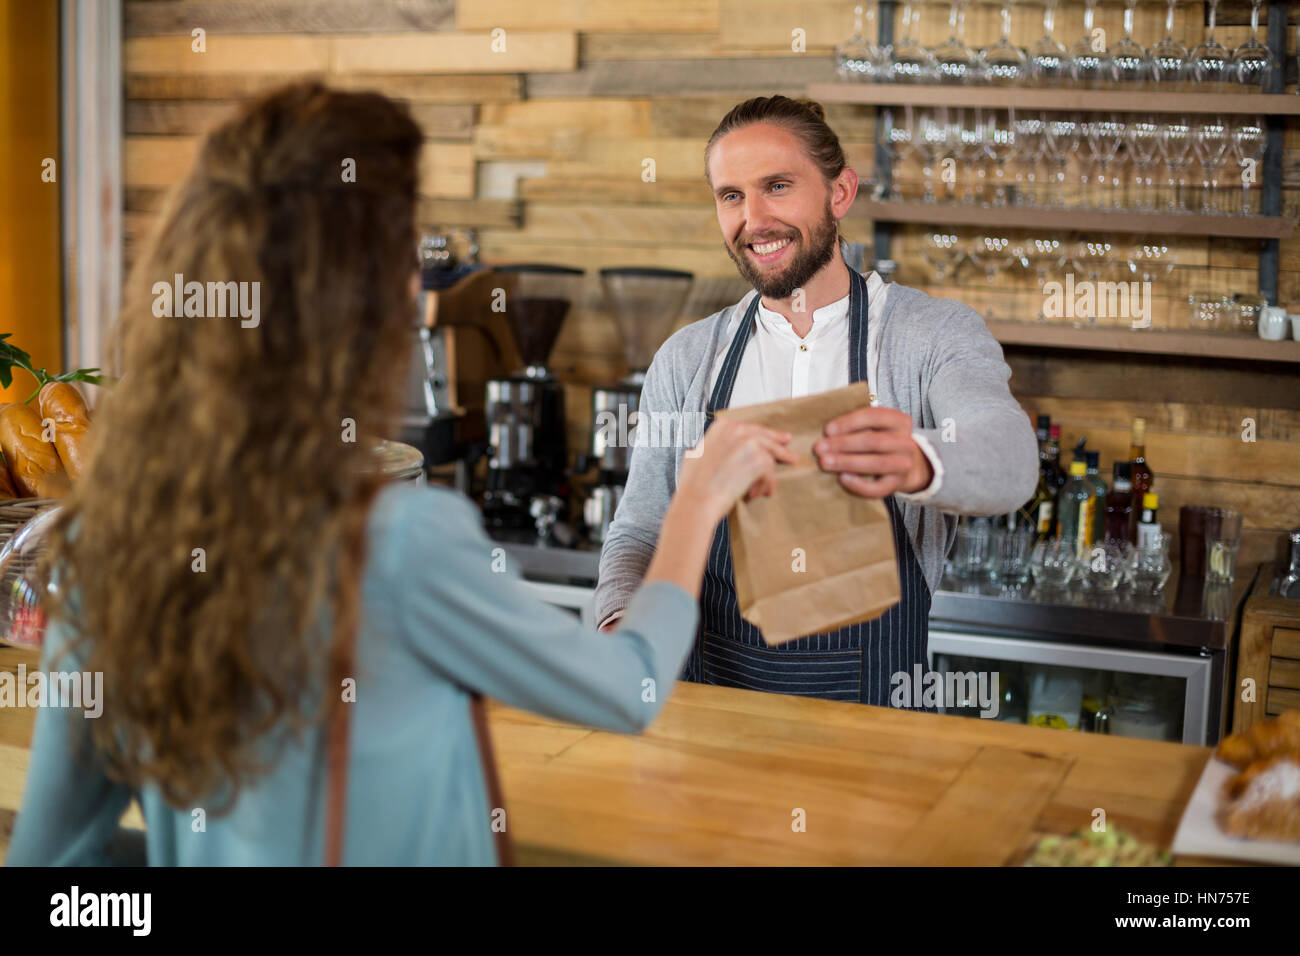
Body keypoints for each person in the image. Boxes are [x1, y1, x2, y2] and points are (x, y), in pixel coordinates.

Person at [6, 83, 794, 866]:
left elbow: (54, 869)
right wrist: (695, 501)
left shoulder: (108, 547)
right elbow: (631, 689)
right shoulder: (398, 541)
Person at [594, 95, 1039, 705]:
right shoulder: (688, 357)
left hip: (874, 726)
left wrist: (917, 459)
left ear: (840, 193)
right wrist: (621, 627)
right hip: (709, 719)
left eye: (777, 186)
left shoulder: (930, 335)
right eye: (731, 196)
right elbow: (642, 528)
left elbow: (1012, 460)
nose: (753, 219)